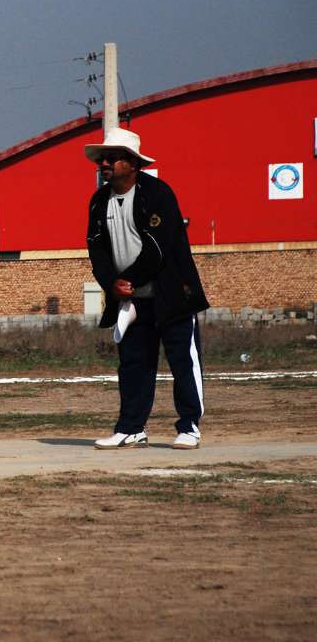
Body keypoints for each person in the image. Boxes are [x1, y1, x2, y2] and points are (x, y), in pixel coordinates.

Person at [85, 128, 209, 450]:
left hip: (172, 295)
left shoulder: (157, 194)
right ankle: (131, 428)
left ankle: (189, 427)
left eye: (112, 158)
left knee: (183, 361)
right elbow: (96, 249)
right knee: (133, 365)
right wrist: (111, 283)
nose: (104, 164)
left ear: (133, 163)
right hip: (132, 301)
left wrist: (128, 279)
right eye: (102, 159)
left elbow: (157, 248)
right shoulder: (99, 202)